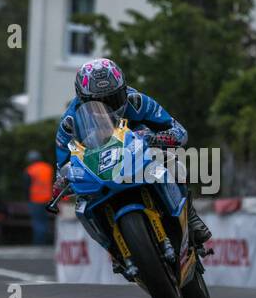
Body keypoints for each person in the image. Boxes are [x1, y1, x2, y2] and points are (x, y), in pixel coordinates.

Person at [51, 57, 211, 245]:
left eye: (113, 98)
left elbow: (179, 131)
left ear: (124, 89)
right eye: (98, 102)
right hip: (99, 166)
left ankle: (190, 218)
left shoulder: (137, 101)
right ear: (83, 98)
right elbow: (63, 164)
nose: (108, 107)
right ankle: (112, 245)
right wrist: (62, 180)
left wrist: (159, 138)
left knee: (174, 162)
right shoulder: (70, 122)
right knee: (83, 204)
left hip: (139, 155)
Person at [24, 150, 54, 245]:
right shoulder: (48, 168)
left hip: (36, 199)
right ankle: (45, 241)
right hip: (47, 199)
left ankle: (39, 243)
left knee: (37, 222)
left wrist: (27, 199)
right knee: (44, 221)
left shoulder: (30, 170)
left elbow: (26, 186)